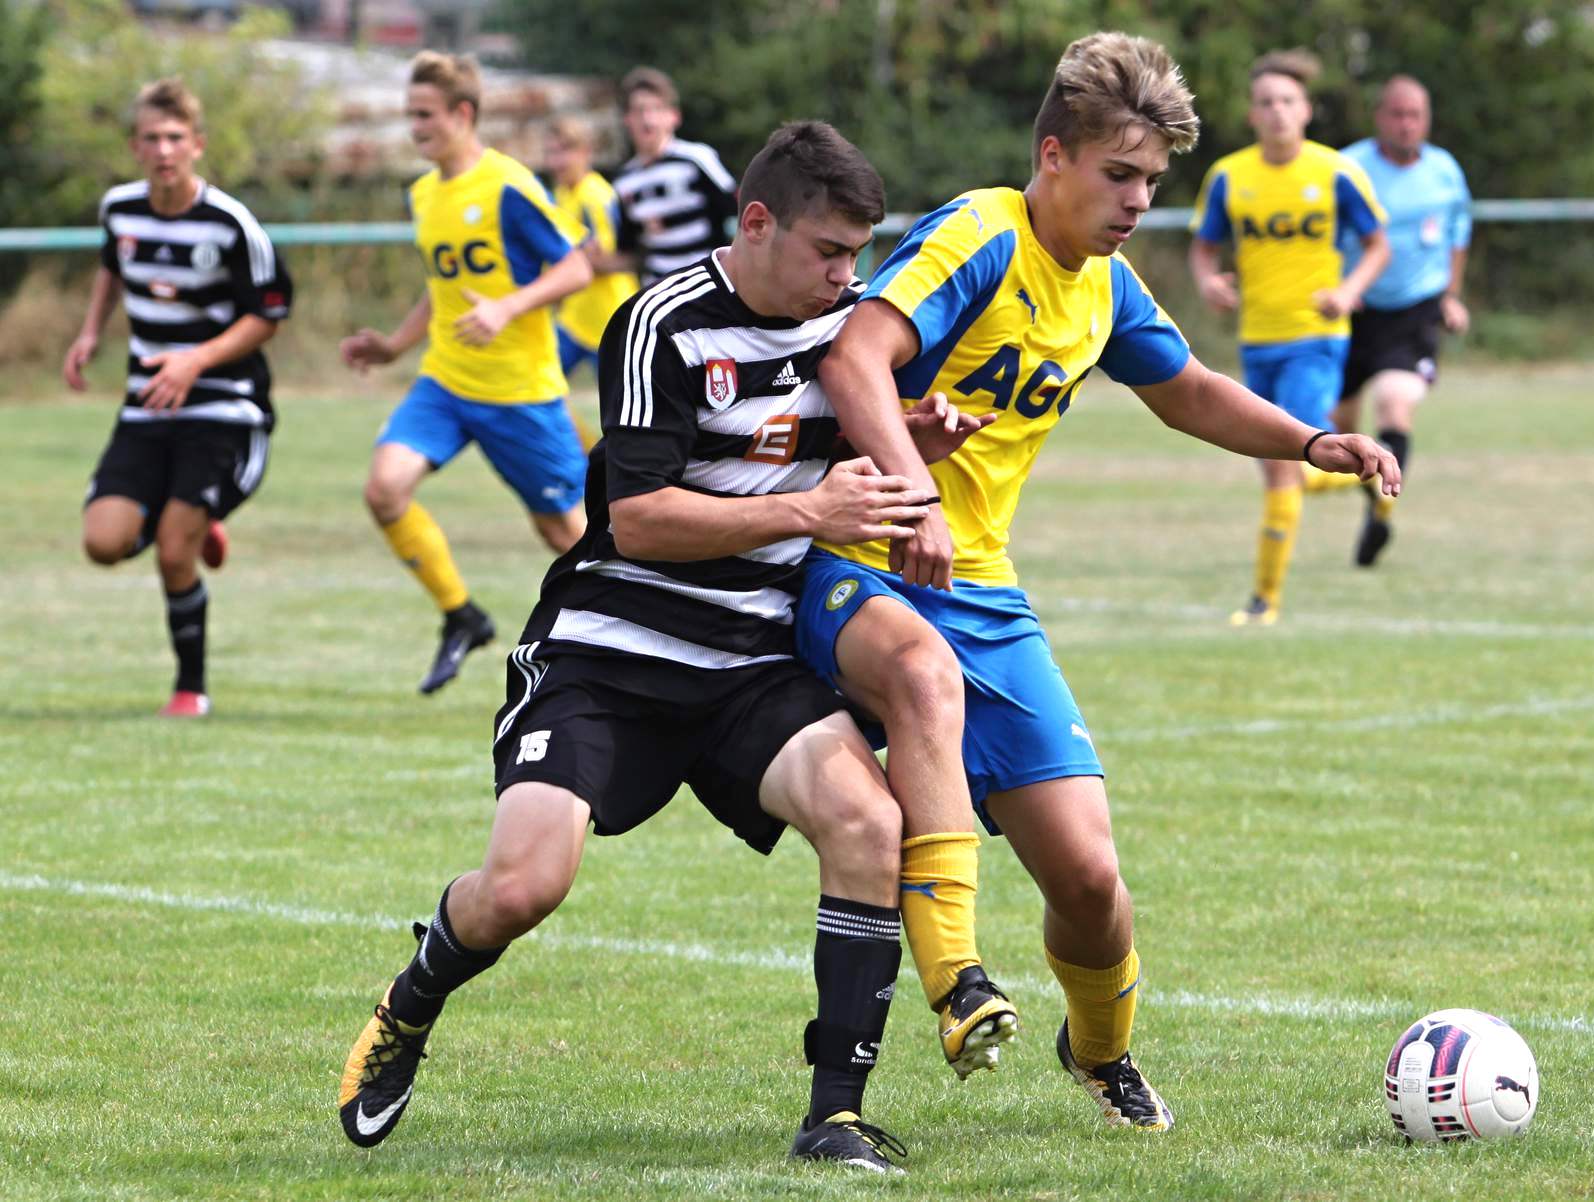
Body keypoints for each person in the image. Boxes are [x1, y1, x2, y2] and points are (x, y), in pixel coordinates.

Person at [337, 121, 992, 1175]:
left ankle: (835, 1112)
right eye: (829, 250)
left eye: (859, 254)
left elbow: (801, 445)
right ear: (757, 223)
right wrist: (811, 509)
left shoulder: (837, 329)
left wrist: (913, 436)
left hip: (745, 661)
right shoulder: (661, 322)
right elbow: (639, 518)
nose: (847, 274)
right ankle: (413, 997)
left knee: (867, 820)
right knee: (522, 886)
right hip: (610, 654)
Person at [800, 32, 1400, 1131]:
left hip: (978, 585)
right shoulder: (980, 233)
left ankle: (1099, 1048)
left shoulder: (1104, 289)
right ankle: (956, 981)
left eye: (1150, 183)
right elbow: (852, 358)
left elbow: (1190, 392)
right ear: (1052, 156)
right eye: (1117, 175)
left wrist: (1316, 440)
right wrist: (911, 494)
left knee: (1088, 880)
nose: (1134, 202)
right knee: (916, 689)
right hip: (851, 558)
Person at [340, 53, 597, 695]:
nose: (415, 128)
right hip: (446, 383)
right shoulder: (424, 192)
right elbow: (444, 285)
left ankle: (634, 640)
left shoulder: (507, 185)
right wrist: (396, 346)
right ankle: (461, 615)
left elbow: (575, 269)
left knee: (570, 537)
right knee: (384, 489)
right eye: (410, 116)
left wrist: (507, 306)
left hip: (520, 392)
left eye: (424, 116)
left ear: (463, 114)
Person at [64, 78, 292, 718]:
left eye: (174, 138)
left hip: (223, 403)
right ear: (134, 148)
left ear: (197, 144)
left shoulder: (230, 224)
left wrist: (196, 358)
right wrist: (89, 333)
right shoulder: (120, 209)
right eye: (150, 139)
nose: (163, 150)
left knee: (172, 551)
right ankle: (188, 522)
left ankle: (190, 688)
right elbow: (112, 267)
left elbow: (268, 315)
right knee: (103, 543)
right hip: (147, 402)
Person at [1189, 49, 1391, 625]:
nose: (1276, 112)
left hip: (1316, 336)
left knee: (1284, 465)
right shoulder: (1230, 175)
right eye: (1265, 103)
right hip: (1258, 339)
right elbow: (1203, 245)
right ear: (1251, 115)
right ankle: (1371, 478)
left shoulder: (1334, 173)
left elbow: (1379, 244)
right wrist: (1209, 283)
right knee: (1282, 462)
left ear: (1306, 110)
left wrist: (1349, 292)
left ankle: (1263, 601)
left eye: (1286, 101)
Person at [1334, 74, 1473, 566]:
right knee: (1339, 433)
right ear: (1380, 118)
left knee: (1395, 407)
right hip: (1355, 313)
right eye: (1397, 114)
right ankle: (1374, 501)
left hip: (1414, 313)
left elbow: (1458, 233)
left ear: (1427, 120)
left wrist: (1451, 296)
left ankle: (1383, 514)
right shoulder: (1348, 167)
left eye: (1416, 115)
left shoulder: (1444, 171)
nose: (1407, 124)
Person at [540, 114, 638, 448]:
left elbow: (616, 257)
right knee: (540, 384)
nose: (557, 161)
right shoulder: (560, 194)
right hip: (574, 319)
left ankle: (613, 465)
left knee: (623, 415)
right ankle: (585, 456)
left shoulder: (597, 196)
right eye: (551, 152)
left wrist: (579, 261)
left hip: (608, 321)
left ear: (585, 153)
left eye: (565, 151)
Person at [607, 67, 737, 286]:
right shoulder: (624, 181)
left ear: (674, 117)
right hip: (659, 289)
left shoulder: (695, 159)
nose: (647, 119)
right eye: (639, 110)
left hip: (708, 283)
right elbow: (628, 250)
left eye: (656, 109)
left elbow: (737, 210)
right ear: (627, 119)